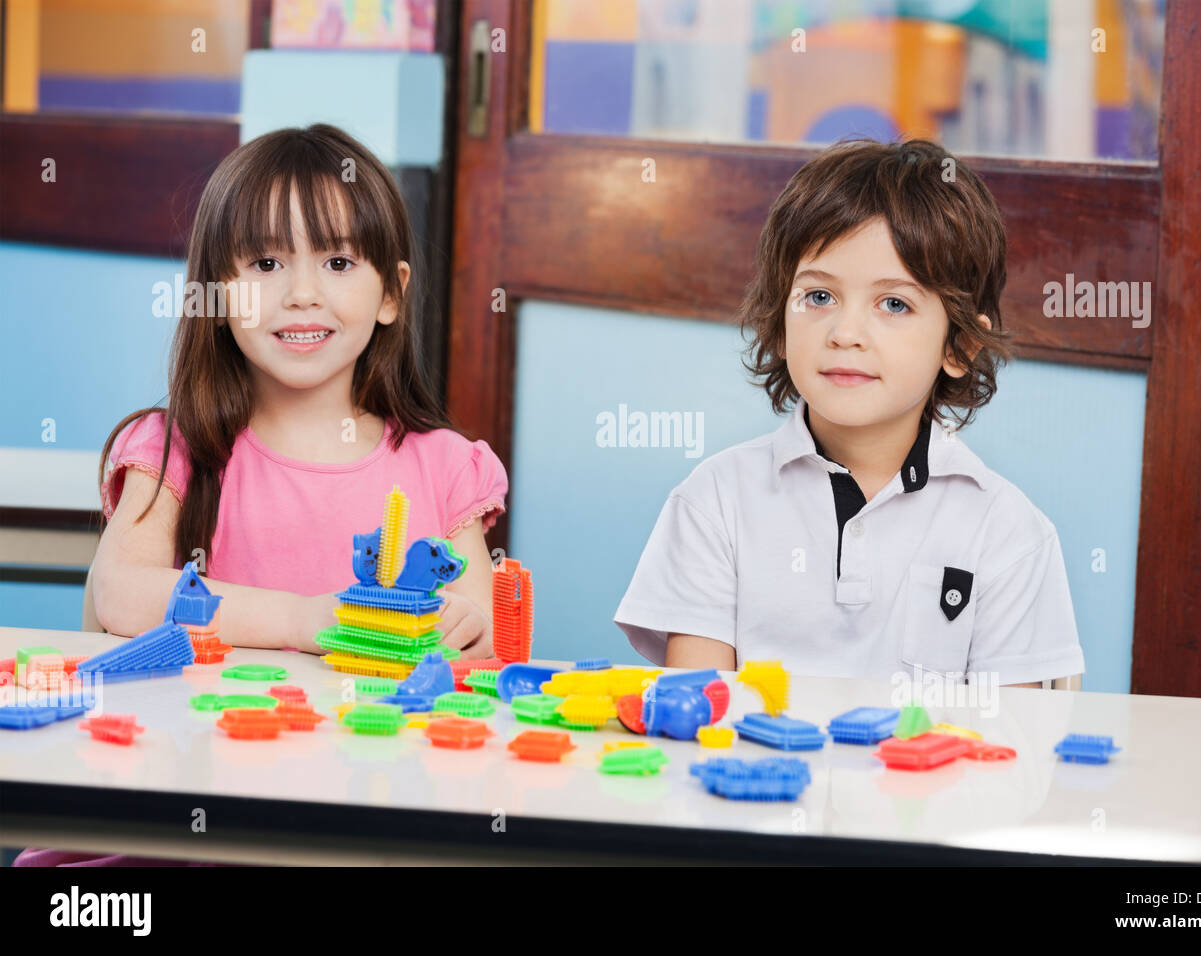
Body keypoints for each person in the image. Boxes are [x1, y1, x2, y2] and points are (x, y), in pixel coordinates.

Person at [15, 124, 507, 866]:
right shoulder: (173, 447)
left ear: (391, 295)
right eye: (267, 262)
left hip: (357, 822)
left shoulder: (443, 468)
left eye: (338, 261)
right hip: (164, 827)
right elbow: (120, 593)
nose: (301, 293)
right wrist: (308, 620)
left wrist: (460, 634)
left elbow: (483, 656)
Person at [615, 138, 1084, 688]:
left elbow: (1010, 749)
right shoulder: (714, 501)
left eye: (894, 304)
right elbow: (696, 718)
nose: (845, 334)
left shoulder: (1008, 532)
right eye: (819, 298)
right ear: (779, 320)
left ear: (959, 346)